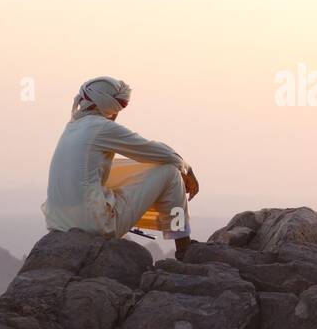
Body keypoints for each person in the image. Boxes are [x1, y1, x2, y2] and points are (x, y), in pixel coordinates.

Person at [42, 76, 199, 257]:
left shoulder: (73, 127)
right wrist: (185, 167)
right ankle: (183, 246)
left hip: (59, 222)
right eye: (120, 106)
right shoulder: (101, 127)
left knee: (113, 168)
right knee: (171, 172)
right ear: (108, 105)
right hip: (94, 224)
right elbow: (154, 150)